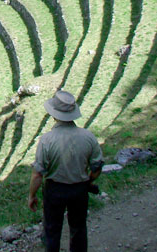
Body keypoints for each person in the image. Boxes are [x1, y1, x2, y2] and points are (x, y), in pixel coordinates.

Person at [28, 90, 104, 252]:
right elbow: (97, 167)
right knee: (78, 228)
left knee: (52, 230)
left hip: (54, 190)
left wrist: (32, 195)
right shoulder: (88, 137)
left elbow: (37, 174)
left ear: (54, 114)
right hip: (79, 189)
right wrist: (88, 181)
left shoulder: (47, 140)